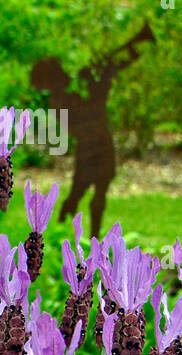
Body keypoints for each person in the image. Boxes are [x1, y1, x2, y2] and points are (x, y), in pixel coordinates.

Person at [31, 23, 154, 239]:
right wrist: (98, 81)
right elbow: (91, 112)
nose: (66, 74)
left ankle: (92, 236)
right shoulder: (60, 100)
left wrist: (101, 77)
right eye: (60, 73)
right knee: (78, 192)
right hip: (90, 147)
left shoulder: (69, 94)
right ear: (53, 80)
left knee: (99, 191)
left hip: (99, 142)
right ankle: (56, 229)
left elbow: (96, 106)